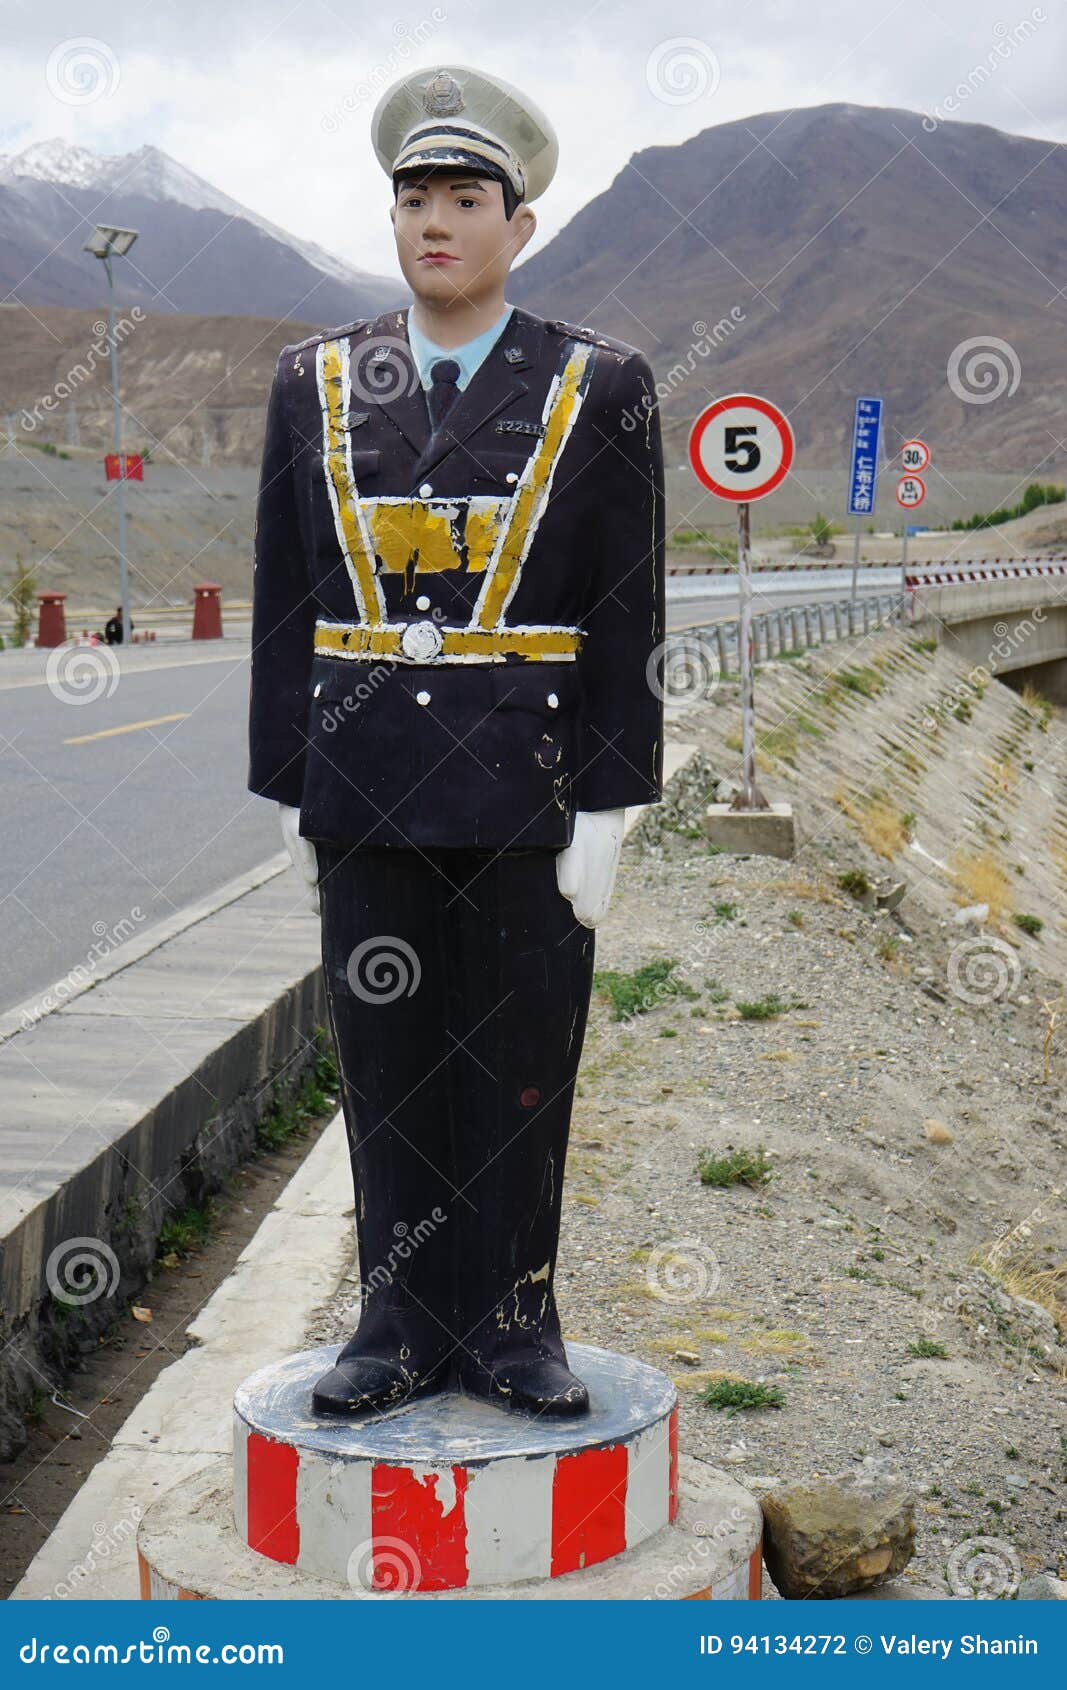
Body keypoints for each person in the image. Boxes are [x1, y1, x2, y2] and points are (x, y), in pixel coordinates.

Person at [248, 65, 665, 1418]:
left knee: (523, 1056)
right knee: (383, 1063)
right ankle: (396, 1316)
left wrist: (613, 801)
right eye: (414, 197)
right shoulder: (311, 385)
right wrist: (289, 776)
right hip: (366, 793)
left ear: (518, 224)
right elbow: (289, 596)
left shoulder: (602, 387)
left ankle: (515, 1319)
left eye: (466, 198)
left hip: (526, 787)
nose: (436, 221)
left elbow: (623, 609)